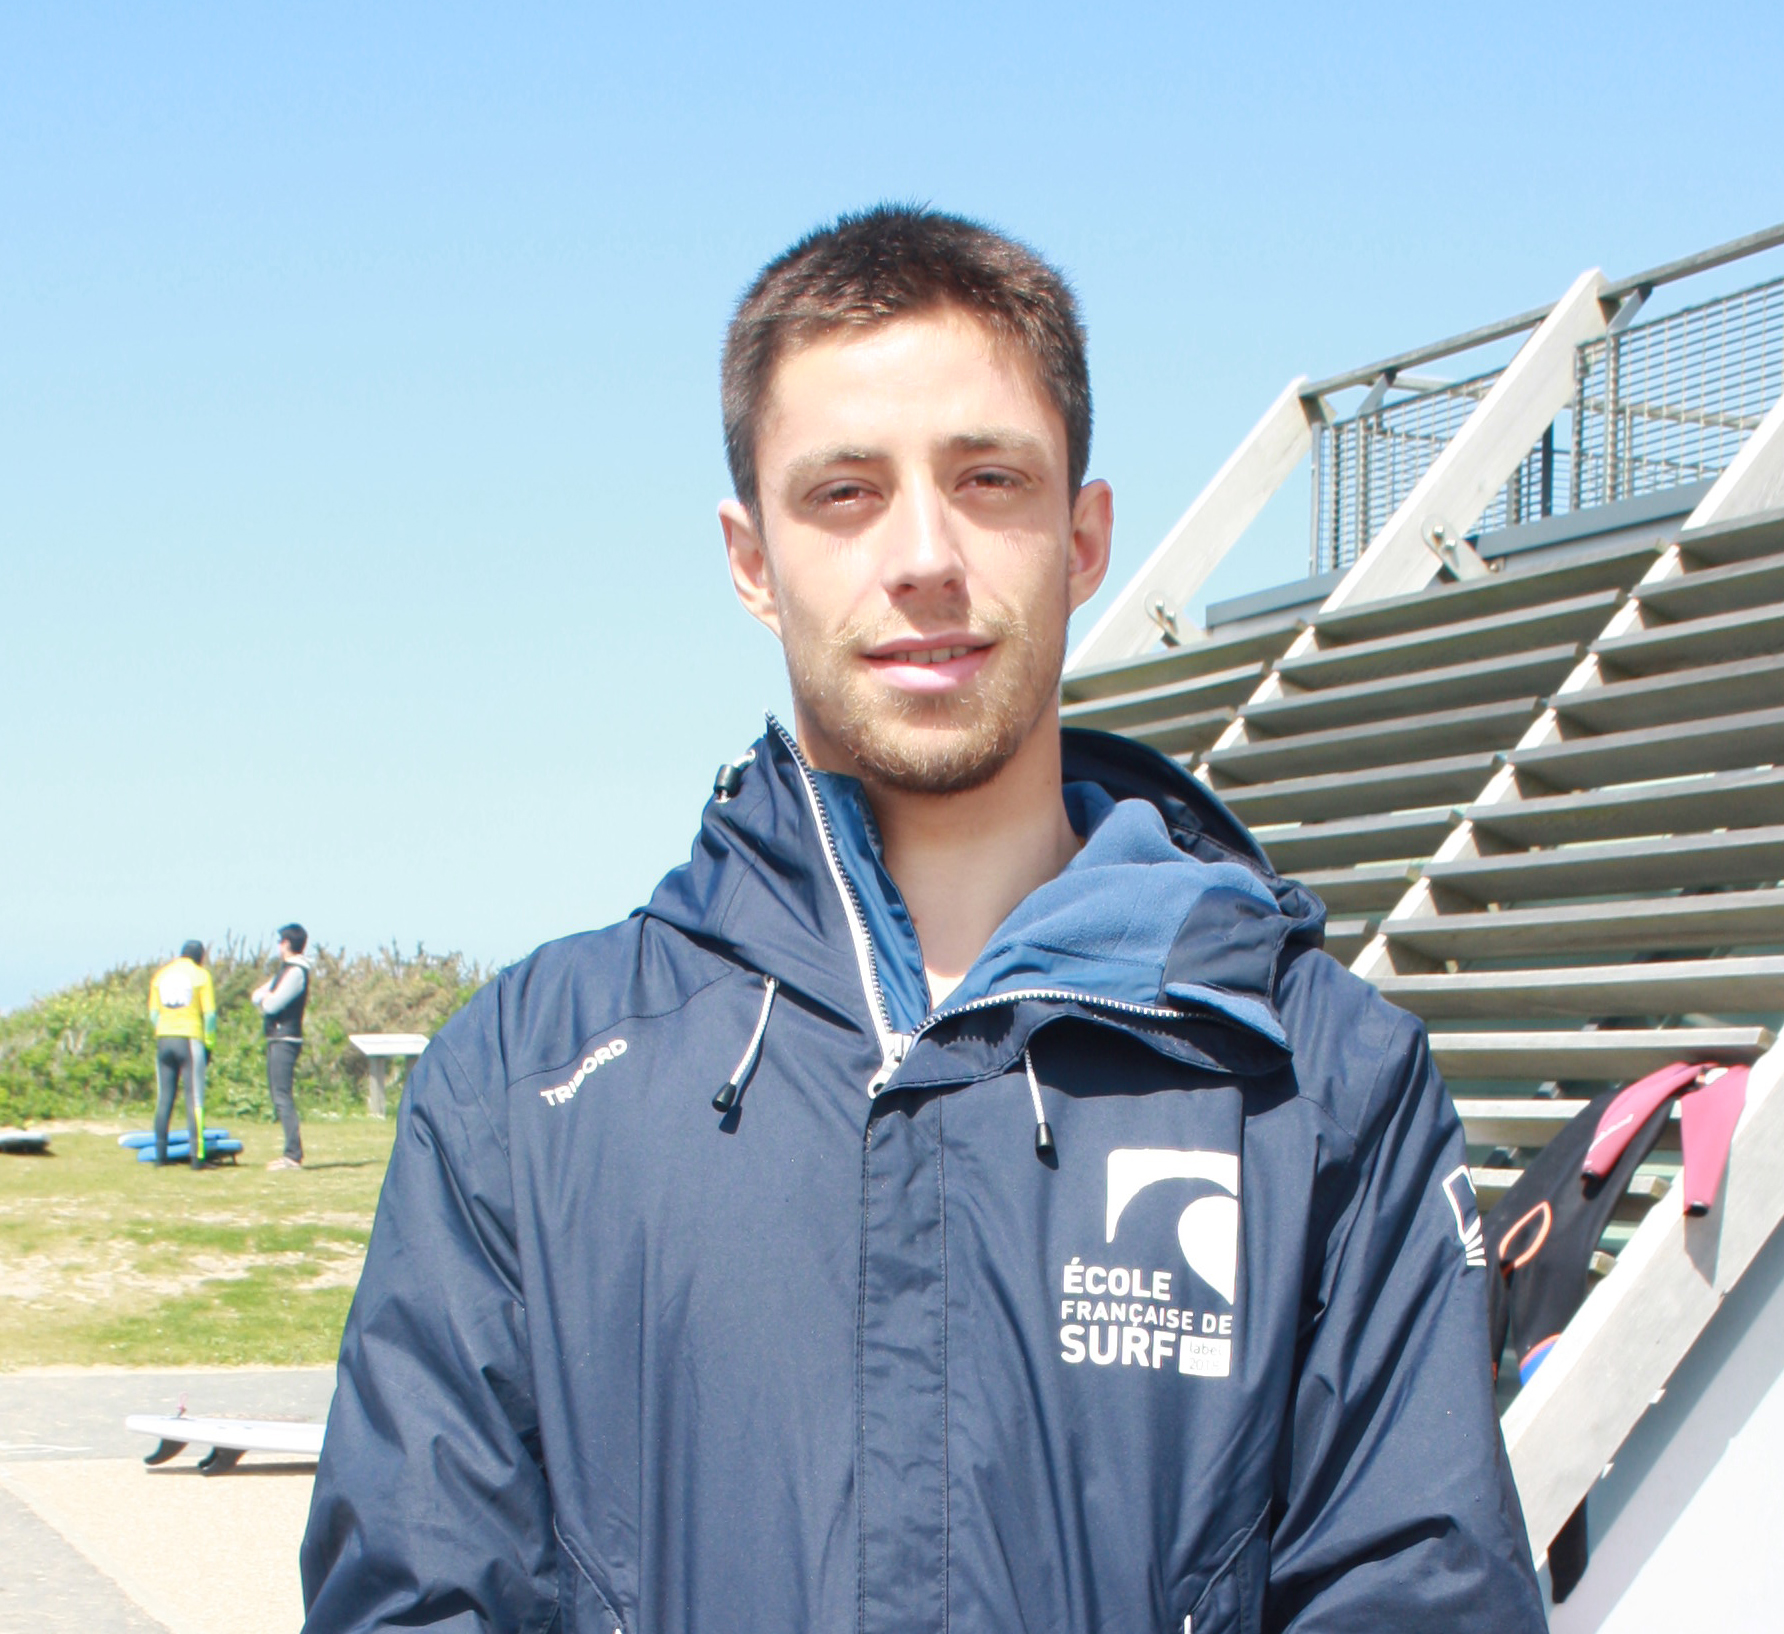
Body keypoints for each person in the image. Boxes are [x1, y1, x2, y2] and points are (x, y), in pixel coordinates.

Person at [302, 208, 1544, 1632]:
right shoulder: (528, 1080)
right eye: (844, 490)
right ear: (752, 556)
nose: (925, 555)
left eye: (988, 477)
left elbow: (1422, 1593)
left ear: (1083, 537)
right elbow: (411, 1596)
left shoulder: (1316, 1079)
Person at [147, 940, 216, 1168]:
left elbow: (154, 1014)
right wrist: (208, 1044)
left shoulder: (161, 975)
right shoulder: (201, 976)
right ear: (200, 957)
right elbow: (210, 1016)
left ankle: (159, 1156)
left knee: (164, 1097)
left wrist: (164, 1029)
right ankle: (197, 1158)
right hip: (189, 1040)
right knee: (194, 1099)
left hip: (164, 1039)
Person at [251, 923, 310, 1171]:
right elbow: (257, 995)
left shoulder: (296, 971)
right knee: (279, 1096)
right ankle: (291, 1152)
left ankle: (293, 1155)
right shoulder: (285, 970)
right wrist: (266, 999)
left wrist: (266, 1000)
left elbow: (272, 1004)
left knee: (282, 1097)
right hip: (277, 1038)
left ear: (286, 944)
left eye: (280, 941)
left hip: (286, 1038)